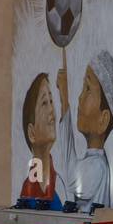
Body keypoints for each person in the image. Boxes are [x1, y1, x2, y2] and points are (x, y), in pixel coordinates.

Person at [54, 51, 113, 207]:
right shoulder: (91, 161)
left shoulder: (97, 166)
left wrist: (64, 97)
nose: (79, 97)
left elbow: (72, 178)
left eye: (88, 89)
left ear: (103, 120)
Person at [19, 72, 69, 208]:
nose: (52, 110)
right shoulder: (27, 189)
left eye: (52, 101)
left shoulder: (60, 184)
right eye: (44, 103)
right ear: (32, 133)